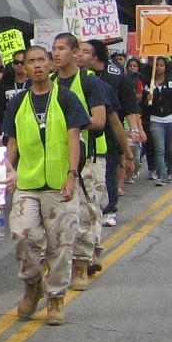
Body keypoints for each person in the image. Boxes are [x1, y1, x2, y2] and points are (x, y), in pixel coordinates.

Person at [2, 46, 87, 326]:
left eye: (41, 60)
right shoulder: (17, 102)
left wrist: (72, 175)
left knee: (60, 243)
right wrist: (7, 171)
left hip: (59, 182)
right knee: (22, 234)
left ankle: (55, 298)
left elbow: (74, 139)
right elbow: (11, 144)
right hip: (27, 182)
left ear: (50, 64)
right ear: (23, 68)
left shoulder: (66, 97)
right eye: (30, 62)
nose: (36, 66)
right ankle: (32, 283)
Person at [52, 34, 112, 293]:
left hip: (87, 156)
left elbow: (100, 120)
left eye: (62, 48)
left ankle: (80, 265)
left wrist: (72, 123)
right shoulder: (49, 83)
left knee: (86, 212)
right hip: (56, 157)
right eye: (53, 49)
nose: (56, 53)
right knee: (57, 215)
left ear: (75, 52)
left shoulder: (89, 82)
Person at [80, 39, 138, 232]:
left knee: (107, 175)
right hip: (75, 142)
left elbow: (117, 116)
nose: (78, 55)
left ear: (95, 57)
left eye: (85, 52)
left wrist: (133, 137)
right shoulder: (58, 81)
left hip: (104, 139)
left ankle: (109, 209)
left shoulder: (108, 81)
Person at [141, 56, 172, 185]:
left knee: (170, 148)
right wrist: (147, 98)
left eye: (161, 65)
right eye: (157, 65)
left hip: (171, 119)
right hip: (156, 120)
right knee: (159, 148)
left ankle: (170, 170)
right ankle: (162, 175)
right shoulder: (149, 84)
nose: (159, 68)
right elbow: (144, 104)